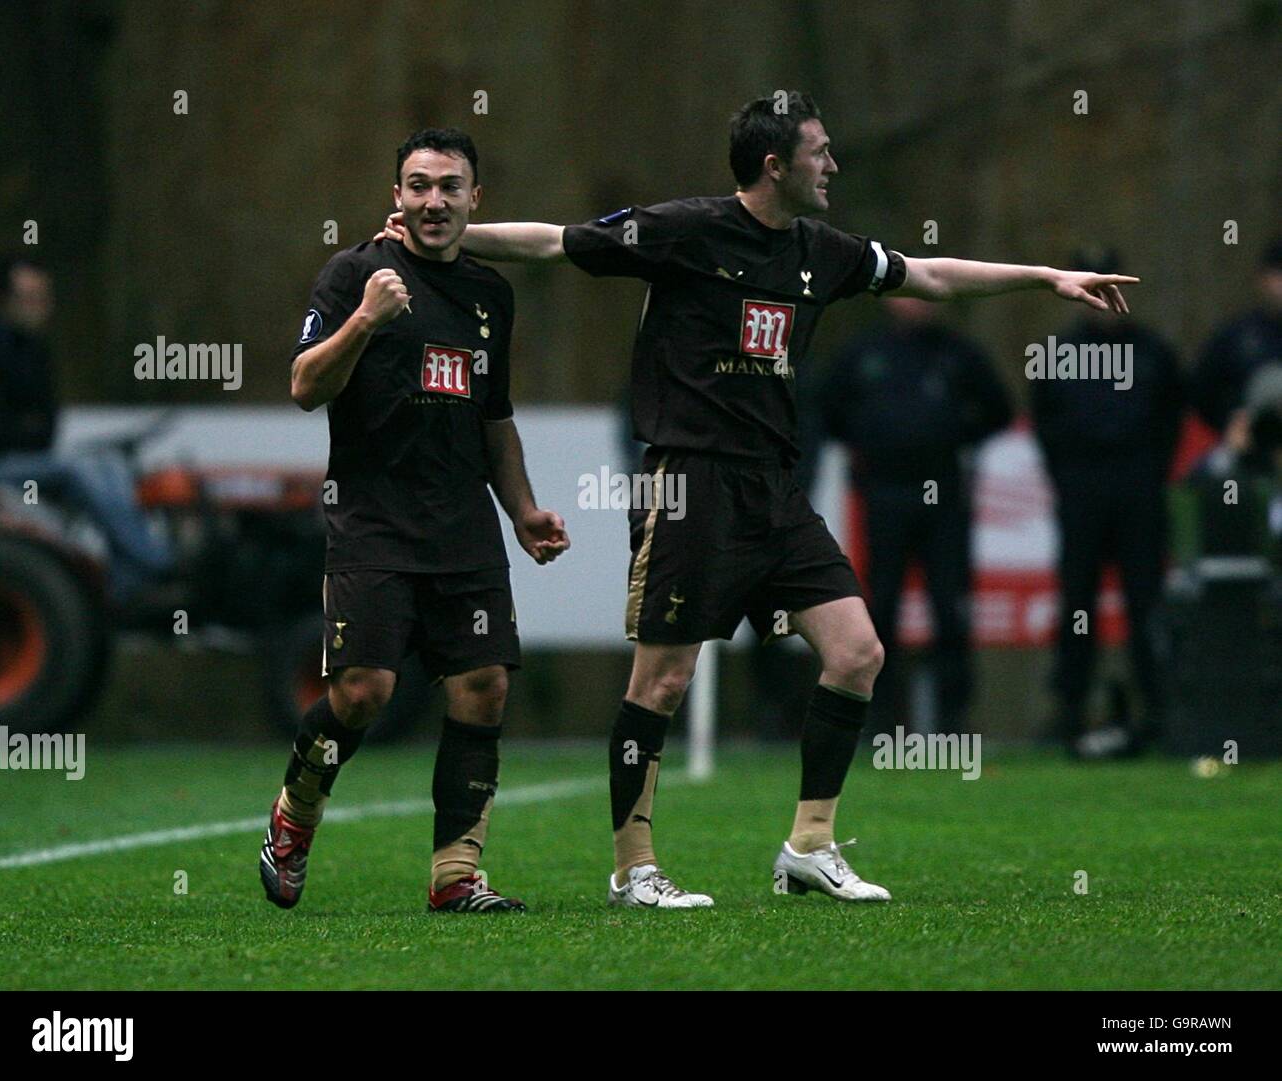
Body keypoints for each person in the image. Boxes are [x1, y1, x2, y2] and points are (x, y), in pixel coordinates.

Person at [380, 92, 1136, 907]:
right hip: (689, 482)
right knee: (661, 682)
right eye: (821, 151)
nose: (833, 165)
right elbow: (556, 243)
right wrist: (450, 237)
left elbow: (931, 275)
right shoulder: (683, 230)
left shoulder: (824, 250)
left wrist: (1049, 277)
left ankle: (810, 845)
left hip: (775, 487)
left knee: (858, 653)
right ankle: (634, 869)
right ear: (775, 165)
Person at [261, 128, 570, 914]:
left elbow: (494, 419)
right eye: (419, 185)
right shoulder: (355, 274)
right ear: (396, 195)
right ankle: (295, 815)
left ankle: (457, 875)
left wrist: (524, 509)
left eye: (450, 187)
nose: (434, 201)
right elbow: (303, 385)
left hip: (464, 526)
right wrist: (364, 320)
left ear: (476, 200)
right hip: (371, 522)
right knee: (364, 691)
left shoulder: (490, 295)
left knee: (484, 686)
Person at [820, 296, 1012, 736]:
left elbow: (998, 409)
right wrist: (868, 441)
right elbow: (827, 408)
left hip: (944, 497)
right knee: (880, 604)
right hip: (884, 494)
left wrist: (953, 435)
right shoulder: (864, 354)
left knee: (949, 604)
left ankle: (953, 716)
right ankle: (877, 714)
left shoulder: (959, 354)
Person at [1029, 249, 1184, 755]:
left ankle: (1160, 708)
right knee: (1077, 600)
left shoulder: (1154, 353)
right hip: (1082, 492)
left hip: (1139, 490)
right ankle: (1070, 708)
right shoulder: (1058, 352)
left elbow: (1171, 419)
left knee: (1147, 601)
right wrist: (1071, 476)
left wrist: (1147, 472)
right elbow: (1045, 422)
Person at [0, 255, 172, 603]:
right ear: (1, 300)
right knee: (81, 469)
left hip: (24, 460)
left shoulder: (35, 350)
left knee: (108, 463)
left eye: (43, 298)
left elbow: (45, 427)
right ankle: (155, 561)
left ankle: (127, 577)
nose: (40, 308)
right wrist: (27, 429)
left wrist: (26, 428)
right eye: (29, 298)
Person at [1192, 238, 1282, 434]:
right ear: (1263, 279)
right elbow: (1202, 392)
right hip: (1249, 450)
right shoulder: (1237, 337)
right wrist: (1231, 424)